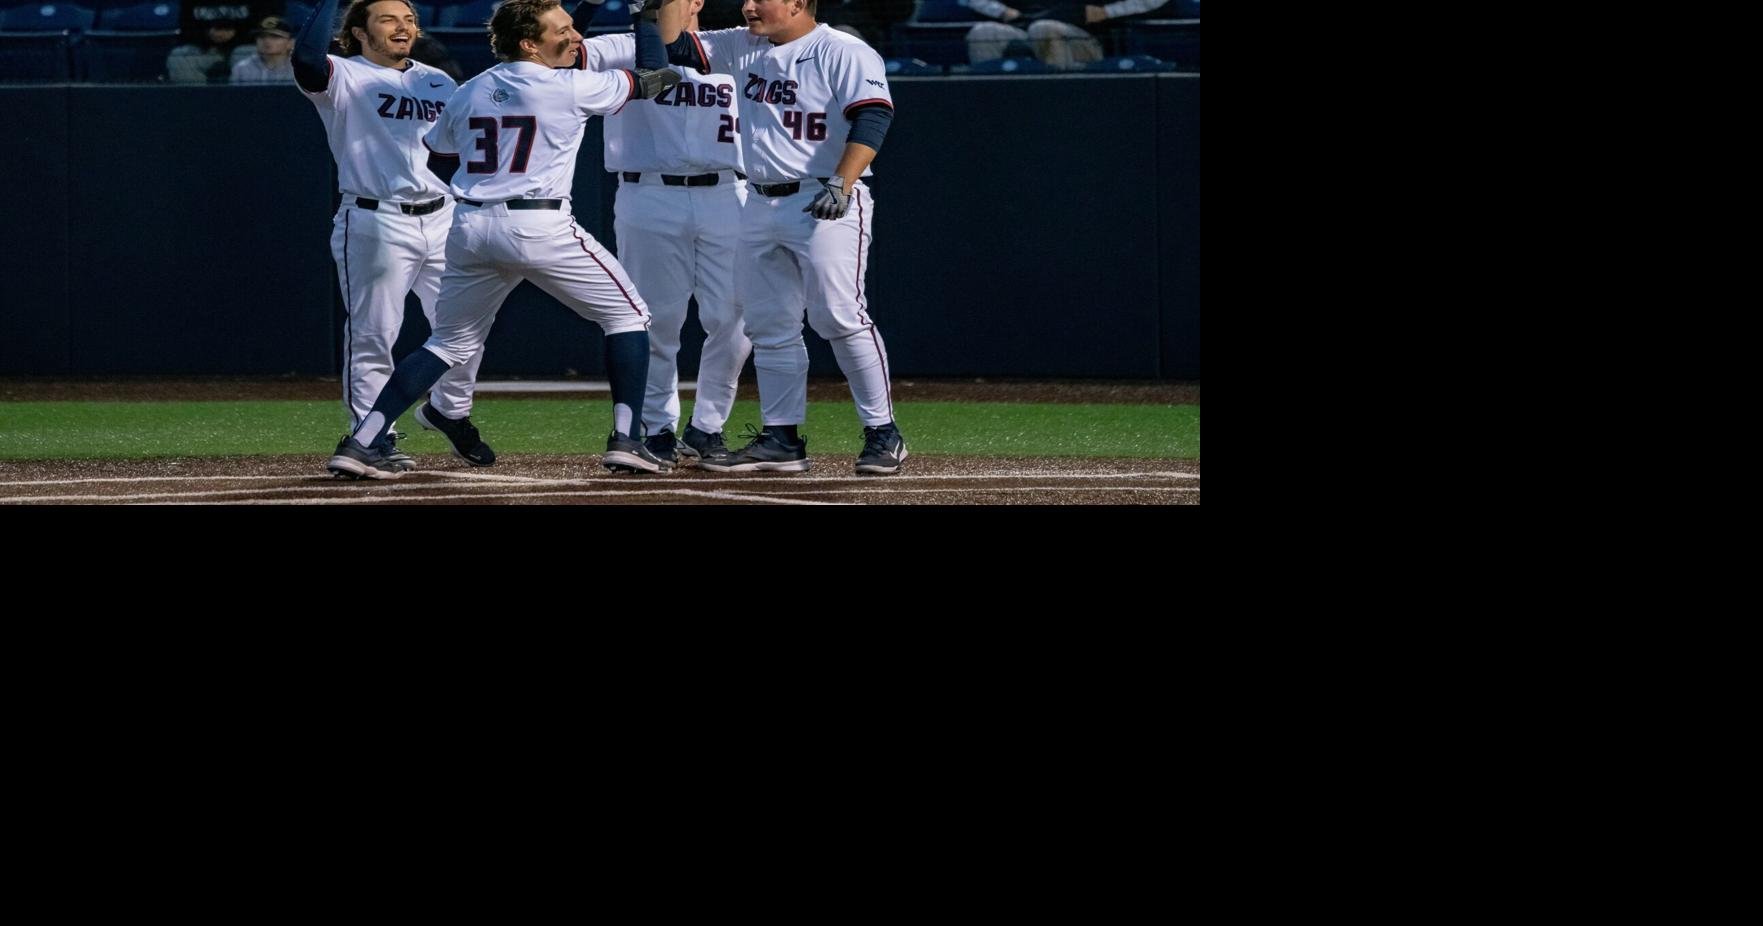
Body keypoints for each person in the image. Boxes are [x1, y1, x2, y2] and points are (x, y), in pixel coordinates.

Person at [325, 0, 688, 479]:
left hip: (470, 226)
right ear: (529, 44)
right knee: (629, 316)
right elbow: (658, 78)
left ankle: (362, 441)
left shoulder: (470, 88)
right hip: (540, 223)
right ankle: (627, 439)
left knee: (448, 343)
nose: (575, 35)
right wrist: (645, 15)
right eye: (563, 29)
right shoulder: (569, 86)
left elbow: (437, 152)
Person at [661, 0, 907, 475]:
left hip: (822, 195)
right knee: (770, 326)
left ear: (798, 3)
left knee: (839, 315)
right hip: (758, 200)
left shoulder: (842, 51)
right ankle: (782, 438)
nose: (748, 5)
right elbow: (676, 45)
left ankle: (884, 432)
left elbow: (874, 117)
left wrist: (842, 182)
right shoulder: (743, 43)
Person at [295, 0, 490, 473]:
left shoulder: (437, 80)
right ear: (358, 32)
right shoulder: (343, 75)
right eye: (388, 19)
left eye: (409, 20)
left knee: (465, 330)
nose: (403, 27)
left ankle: (447, 410)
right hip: (376, 218)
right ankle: (373, 434)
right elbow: (306, 60)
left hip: (442, 216)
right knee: (374, 333)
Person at [574, 0, 747, 469]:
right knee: (654, 320)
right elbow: (562, 52)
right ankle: (657, 429)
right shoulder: (621, 47)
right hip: (647, 192)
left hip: (728, 192)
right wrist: (589, 5)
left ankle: (708, 426)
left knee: (736, 319)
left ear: (697, 3)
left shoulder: (736, 46)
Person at [963, 0, 1169, 70]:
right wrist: (1000, 11)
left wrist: (1109, 11)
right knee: (981, 32)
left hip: (1087, 40)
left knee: (1044, 29)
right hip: (1025, 28)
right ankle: (989, 108)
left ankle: (1060, 101)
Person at [231, 15, 297, 83]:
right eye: (262, 37)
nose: (267, 41)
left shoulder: (299, 68)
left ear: (290, 43)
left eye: (275, 37)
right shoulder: (242, 68)